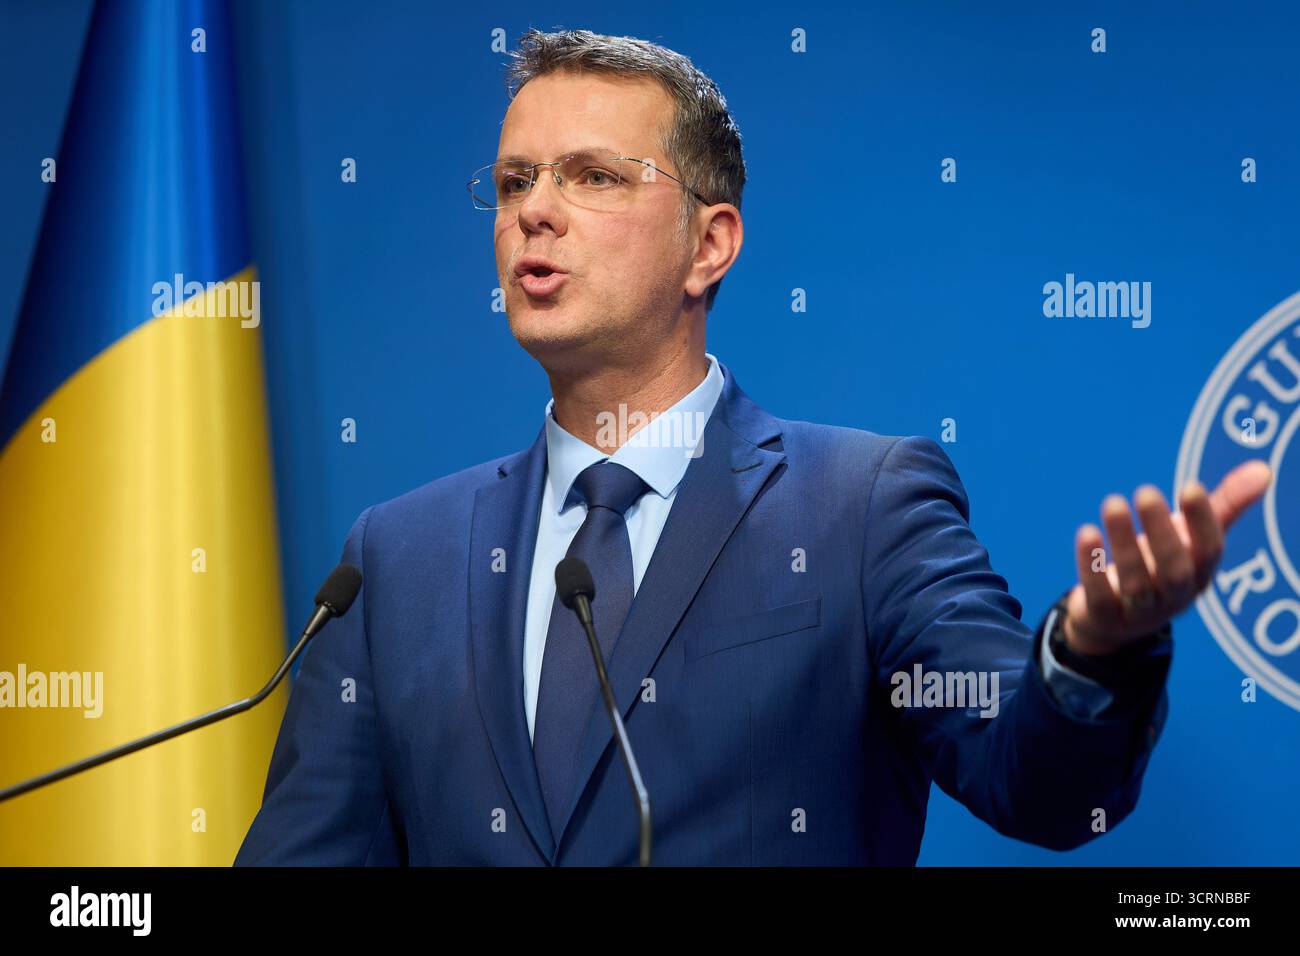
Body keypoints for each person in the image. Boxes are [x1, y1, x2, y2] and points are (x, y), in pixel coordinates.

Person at [235, 29, 1272, 865]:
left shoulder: (858, 507)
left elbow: (1034, 780)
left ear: (710, 242)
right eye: (512, 183)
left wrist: (1091, 651)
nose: (534, 213)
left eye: (591, 177)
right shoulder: (395, 558)